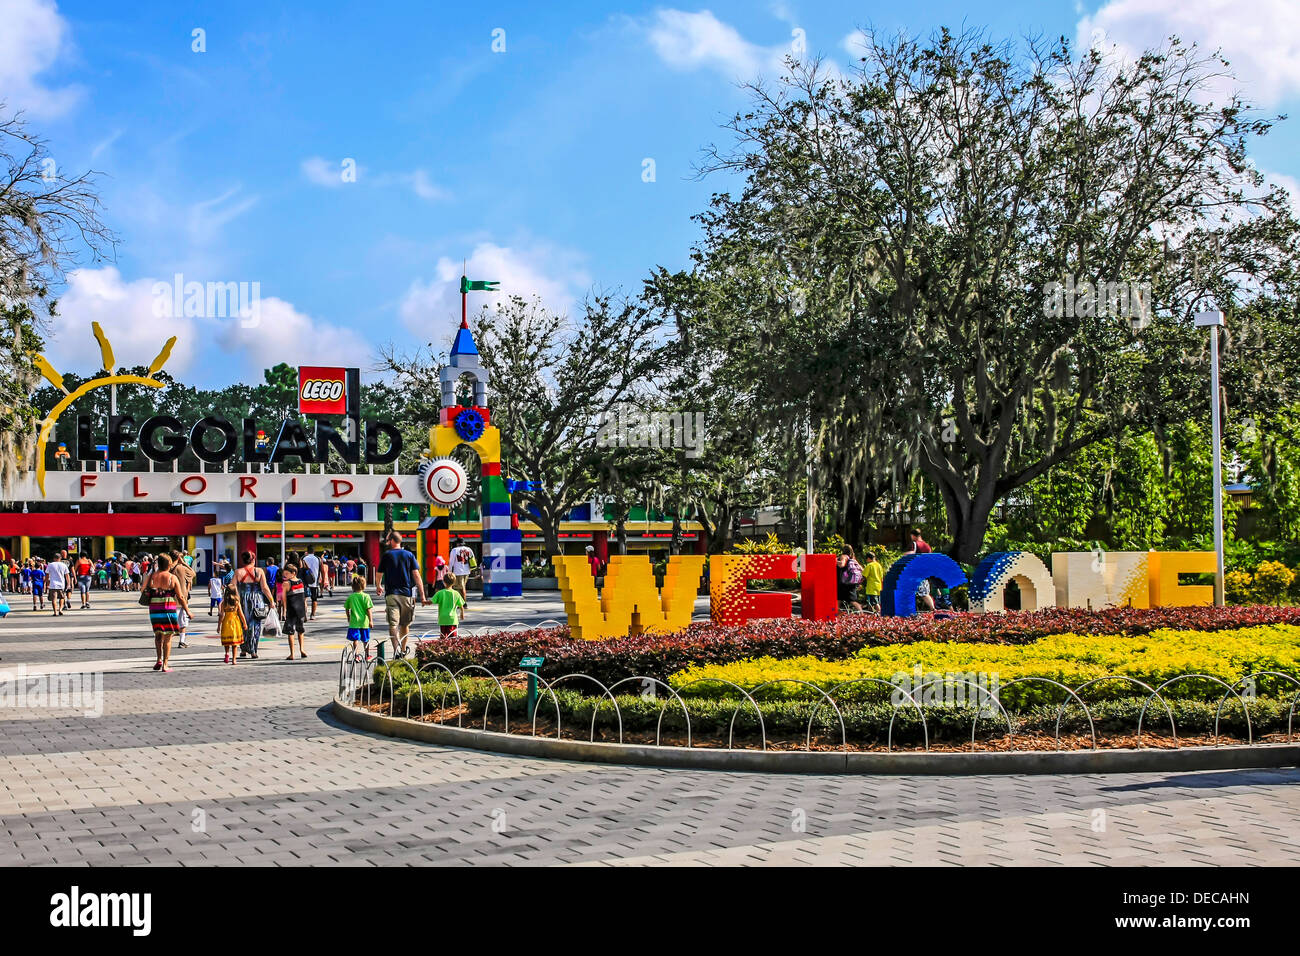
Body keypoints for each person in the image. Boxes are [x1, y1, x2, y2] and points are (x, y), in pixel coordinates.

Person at [377, 530, 428, 659]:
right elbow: (416, 575)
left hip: (391, 594)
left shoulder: (387, 555)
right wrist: (422, 595)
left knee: (393, 624)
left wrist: (378, 585)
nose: (387, 542)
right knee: (405, 624)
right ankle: (404, 649)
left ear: (393, 541)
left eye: (388, 540)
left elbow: (379, 573)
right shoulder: (409, 555)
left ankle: (396, 650)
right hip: (407, 594)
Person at [146, 553, 190, 673]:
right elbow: (180, 597)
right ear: (169, 564)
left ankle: (158, 659)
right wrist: (187, 611)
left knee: (158, 635)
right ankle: (165, 664)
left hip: (154, 609)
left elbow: (144, 590)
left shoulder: (152, 576)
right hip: (168, 608)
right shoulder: (172, 578)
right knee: (168, 637)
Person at [234, 551, 274, 660]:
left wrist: (235, 600)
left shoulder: (238, 572)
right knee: (255, 625)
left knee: (243, 623)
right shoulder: (259, 571)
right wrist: (271, 601)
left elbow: (233, 588)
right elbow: (265, 588)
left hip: (243, 601)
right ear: (253, 559)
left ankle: (243, 649)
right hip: (257, 600)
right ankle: (253, 650)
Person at [169, 549, 196, 649]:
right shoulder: (181, 568)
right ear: (179, 558)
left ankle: (166, 641)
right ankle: (182, 641)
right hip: (182, 599)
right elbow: (193, 573)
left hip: (169, 599)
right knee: (183, 621)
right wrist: (184, 563)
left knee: (170, 622)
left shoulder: (166, 568)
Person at [344, 574, 374, 662]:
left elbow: (347, 608)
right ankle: (367, 655)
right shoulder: (366, 596)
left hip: (354, 622)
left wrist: (348, 617)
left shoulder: (351, 597)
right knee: (366, 640)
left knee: (355, 639)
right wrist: (371, 620)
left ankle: (356, 655)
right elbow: (369, 610)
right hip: (364, 622)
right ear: (363, 585)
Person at [281, 564, 308, 660]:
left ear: (293, 573)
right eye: (284, 574)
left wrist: (284, 611)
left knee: (290, 632)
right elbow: (303, 596)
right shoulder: (301, 581)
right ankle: (302, 650)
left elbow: (283, 599)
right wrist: (305, 608)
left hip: (291, 609)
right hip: (300, 609)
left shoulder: (286, 584)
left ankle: (292, 654)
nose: (285, 576)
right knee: (300, 630)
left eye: (287, 574)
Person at [431, 571, 467, 638]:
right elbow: (461, 606)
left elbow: (431, 601)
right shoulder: (456, 593)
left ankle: (444, 648)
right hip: (452, 619)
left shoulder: (440, 593)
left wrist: (424, 602)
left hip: (443, 619)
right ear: (454, 582)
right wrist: (462, 614)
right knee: (453, 638)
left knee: (444, 638)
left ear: (444, 582)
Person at [217, 583, 246, 664]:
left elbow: (221, 615)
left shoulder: (224, 603)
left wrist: (219, 625)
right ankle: (234, 659)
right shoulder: (236, 602)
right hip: (235, 622)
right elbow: (241, 614)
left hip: (226, 622)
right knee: (234, 643)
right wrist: (244, 623)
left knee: (227, 641)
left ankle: (226, 654)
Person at [837, 545, 863, 613]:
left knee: (851, 601)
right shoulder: (853, 559)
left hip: (845, 583)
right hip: (852, 582)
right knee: (840, 599)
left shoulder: (844, 556)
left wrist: (833, 560)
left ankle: (861, 613)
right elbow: (861, 569)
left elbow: (841, 564)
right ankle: (838, 614)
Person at [302, 549, 322, 621]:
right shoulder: (318, 559)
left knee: (304, 599)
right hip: (314, 581)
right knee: (314, 599)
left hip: (305, 582)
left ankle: (304, 615)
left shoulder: (303, 558)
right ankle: (312, 614)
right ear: (314, 552)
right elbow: (321, 569)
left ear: (307, 551)